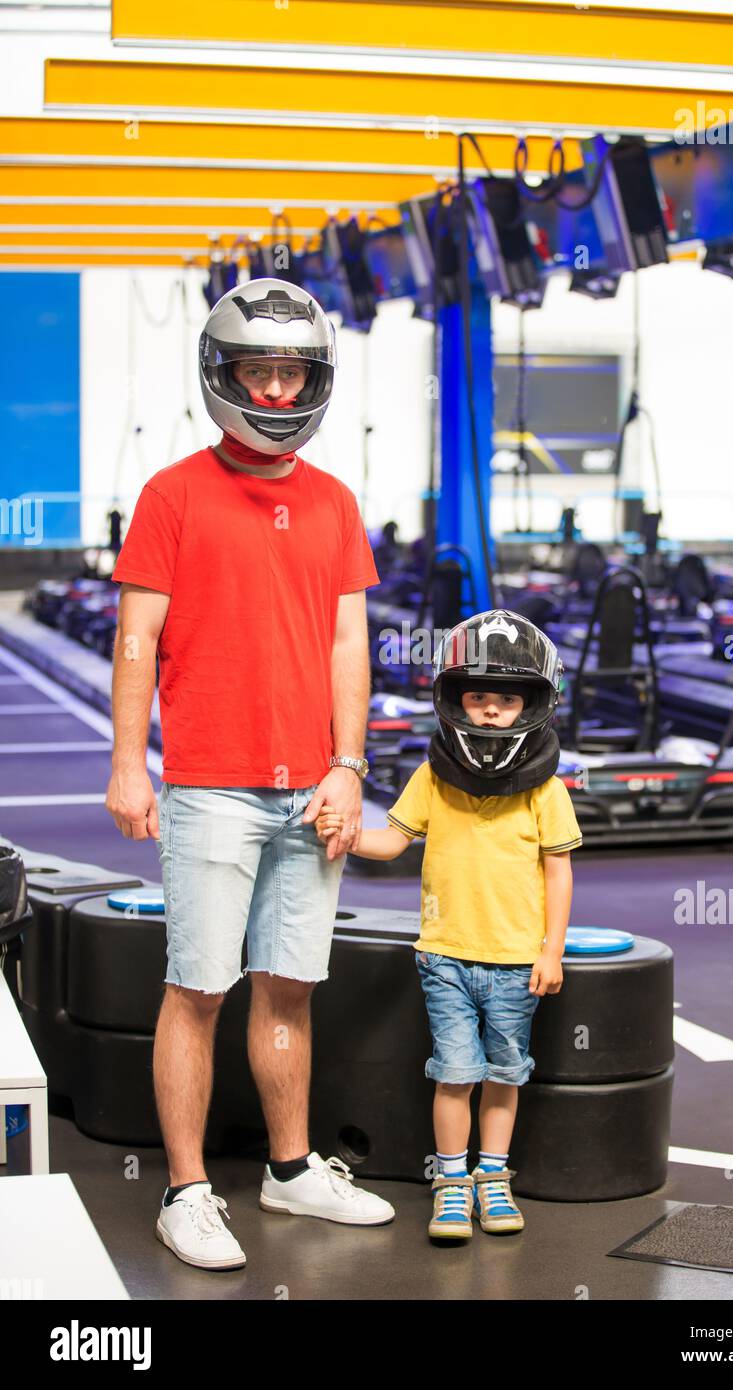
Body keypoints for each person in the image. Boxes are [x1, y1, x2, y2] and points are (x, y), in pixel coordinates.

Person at [106, 278, 394, 1273]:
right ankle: (184, 1193)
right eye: (255, 372)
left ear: (312, 379)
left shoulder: (334, 503)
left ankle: (287, 1168)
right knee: (197, 987)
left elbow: (347, 646)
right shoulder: (171, 495)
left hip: (311, 787)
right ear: (222, 375)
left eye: (290, 373)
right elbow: (136, 640)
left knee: (289, 987)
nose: (273, 392)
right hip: (209, 786)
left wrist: (349, 767)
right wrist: (127, 766)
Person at [314, 610, 582, 1241]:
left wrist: (552, 952)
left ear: (532, 704)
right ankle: (452, 1181)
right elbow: (394, 842)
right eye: (478, 697)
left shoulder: (545, 790)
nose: (490, 711)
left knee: (504, 1073)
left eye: (506, 700)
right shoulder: (435, 776)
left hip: (518, 962)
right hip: (446, 958)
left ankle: (494, 1176)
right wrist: (346, 833)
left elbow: (559, 872)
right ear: (454, 699)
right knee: (454, 1073)